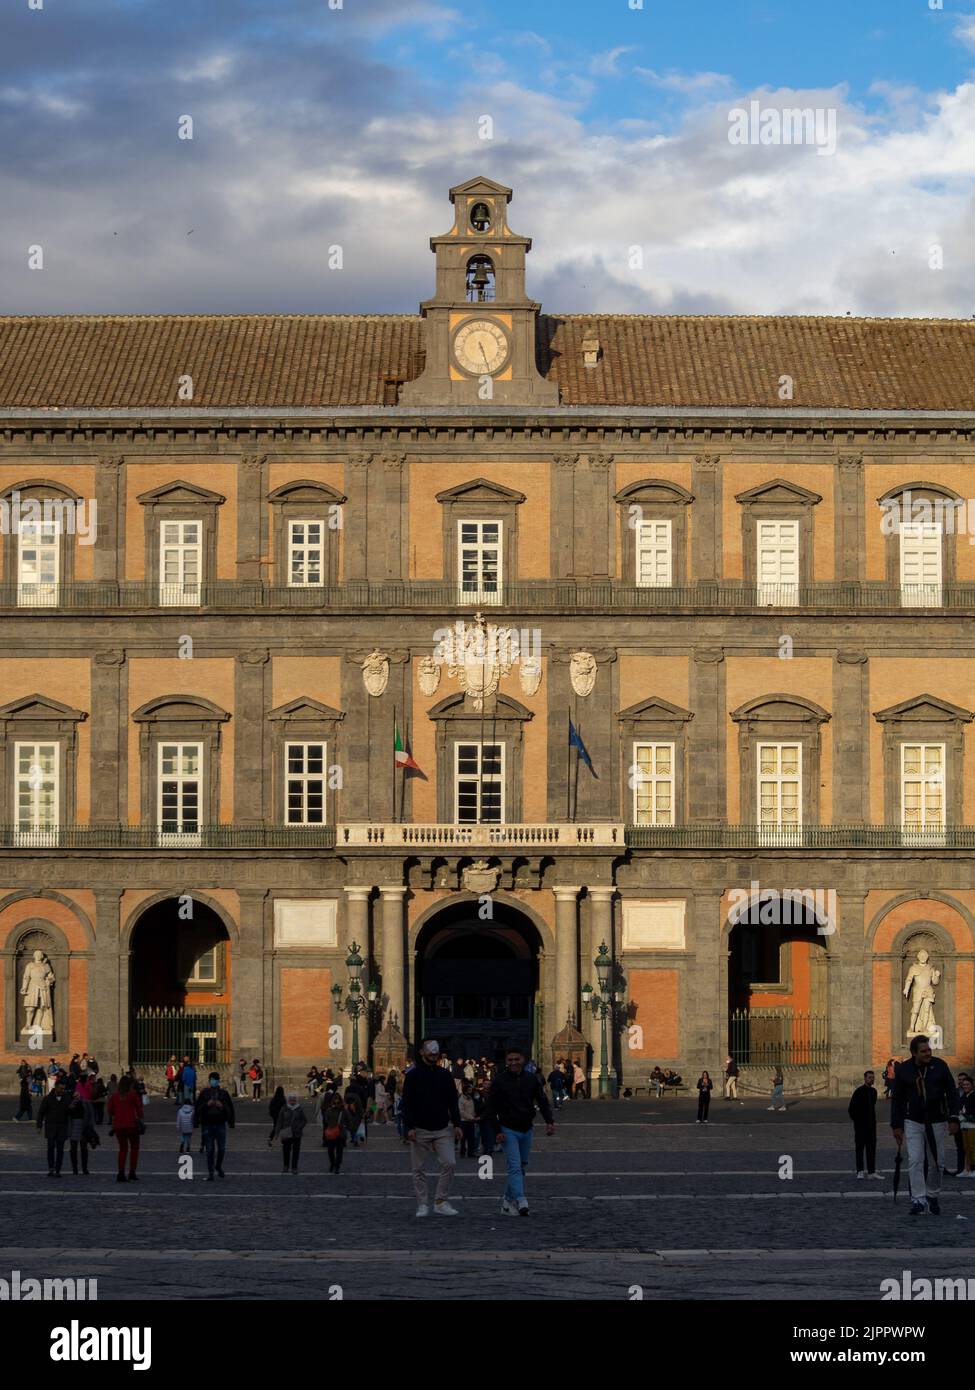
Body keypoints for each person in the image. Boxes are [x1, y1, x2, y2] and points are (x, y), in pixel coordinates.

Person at [890, 1034, 960, 1216]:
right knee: (915, 1160)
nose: (928, 1053)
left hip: (937, 1120)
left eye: (929, 1050)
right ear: (914, 1053)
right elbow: (897, 1099)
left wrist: (954, 1117)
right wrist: (896, 1125)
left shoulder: (940, 1066)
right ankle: (918, 1199)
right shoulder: (904, 1070)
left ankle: (932, 1194)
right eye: (924, 1051)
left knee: (939, 1162)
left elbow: (952, 1092)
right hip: (913, 1120)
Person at [485, 1047, 555, 1217]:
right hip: (507, 1129)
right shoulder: (499, 1081)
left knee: (522, 1167)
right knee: (515, 1167)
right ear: (506, 1061)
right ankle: (521, 1200)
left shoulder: (531, 1079)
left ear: (523, 1059)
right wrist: (496, 1131)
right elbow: (490, 1108)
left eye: (517, 1059)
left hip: (527, 1128)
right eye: (510, 1060)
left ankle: (507, 1202)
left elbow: (542, 1100)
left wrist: (549, 1121)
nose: (514, 1062)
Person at [401, 1038, 462, 1217]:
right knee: (418, 1169)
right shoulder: (412, 1075)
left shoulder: (445, 1075)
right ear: (422, 1052)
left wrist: (457, 1124)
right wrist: (409, 1127)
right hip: (419, 1129)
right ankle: (422, 1204)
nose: (434, 1053)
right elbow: (407, 1103)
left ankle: (440, 1201)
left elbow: (452, 1101)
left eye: (436, 1050)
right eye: (430, 1050)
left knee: (450, 1162)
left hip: (442, 1128)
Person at [195, 1071, 235, 1181]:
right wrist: (206, 1105)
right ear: (209, 1081)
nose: (213, 1081)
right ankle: (211, 1172)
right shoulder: (204, 1093)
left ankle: (218, 1165)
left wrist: (221, 1106)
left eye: (215, 1079)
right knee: (210, 1150)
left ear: (218, 1081)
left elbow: (230, 1108)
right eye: (212, 1079)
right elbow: (198, 1108)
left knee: (222, 1149)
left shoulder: (223, 1093)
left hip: (220, 1124)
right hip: (207, 1124)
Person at [107, 1074, 144, 1183]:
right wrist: (140, 1118)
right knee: (134, 1148)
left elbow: (110, 1110)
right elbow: (139, 1108)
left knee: (122, 1149)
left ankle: (121, 1172)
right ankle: (132, 1171)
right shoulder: (132, 1094)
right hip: (131, 1125)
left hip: (119, 1126)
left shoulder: (114, 1096)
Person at [848, 1070, 883, 1179]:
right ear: (865, 1078)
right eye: (869, 1077)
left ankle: (871, 1171)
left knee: (871, 1148)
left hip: (871, 1125)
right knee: (860, 1148)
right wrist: (857, 1121)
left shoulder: (874, 1092)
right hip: (860, 1126)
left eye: (873, 1077)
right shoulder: (858, 1091)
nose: (871, 1079)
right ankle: (860, 1171)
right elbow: (851, 1109)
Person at [37, 1078, 71, 1176]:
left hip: (62, 1127)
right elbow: (41, 1113)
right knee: (50, 1148)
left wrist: (72, 1107)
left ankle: (58, 1169)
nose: (62, 1091)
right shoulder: (48, 1098)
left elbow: (69, 1112)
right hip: (51, 1127)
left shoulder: (67, 1097)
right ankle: (51, 1168)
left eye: (63, 1089)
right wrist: (39, 1126)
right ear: (56, 1087)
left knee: (60, 1150)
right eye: (60, 1088)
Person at [272, 1092, 307, 1174]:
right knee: (286, 1151)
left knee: (296, 1151)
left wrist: (299, 1127)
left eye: (294, 1100)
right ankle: (286, 1166)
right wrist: (276, 1134)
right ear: (288, 1100)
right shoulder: (284, 1108)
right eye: (291, 1100)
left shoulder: (299, 1109)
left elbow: (304, 1120)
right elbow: (279, 1121)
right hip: (286, 1133)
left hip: (296, 1134)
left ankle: (294, 1167)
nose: (292, 1101)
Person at [67, 1089, 96, 1175]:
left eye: (78, 1095)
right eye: (75, 1096)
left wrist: (91, 1127)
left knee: (84, 1148)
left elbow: (91, 1115)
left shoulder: (86, 1103)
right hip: (73, 1126)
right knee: (73, 1149)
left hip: (83, 1126)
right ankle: (75, 1168)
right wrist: (71, 1106)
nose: (76, 1097)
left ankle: (84, 1168)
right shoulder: (71, 1103)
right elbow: (67, 1114)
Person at [322, 1092, 351, 1173]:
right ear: (332, 1102)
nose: (336, 1103)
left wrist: (345, 1127)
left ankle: (337, 1166)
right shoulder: (329, 1110)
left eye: (338, 1102)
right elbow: (325, 1121)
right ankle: (332, 1163)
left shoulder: (343, 1111)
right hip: (331, 1133)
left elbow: (349, 1120)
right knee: (330, 1151)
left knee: (339, 1152)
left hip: (341, 1134)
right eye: (335, 1102)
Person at [958, 1075, 975, 1177]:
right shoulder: (964, 1096)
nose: (965, 1086)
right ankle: (968, 1169)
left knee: (973, 1147)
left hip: (972, 1125)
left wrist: (965, 1113)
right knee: (966, 1148)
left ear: (972, 1085)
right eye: (964, 1085)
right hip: (964, 1124)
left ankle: (974, 1169)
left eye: (967, 1084)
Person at [457, 1082, 478, 1157]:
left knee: (471, 1138)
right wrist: (471, 1117)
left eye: (471, 1090)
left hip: (471, 1121)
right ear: (465, 1091)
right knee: (463, 1138)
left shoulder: (471, 1098)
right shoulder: (461, 1099)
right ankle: (462, 1152)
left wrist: (474, 1115)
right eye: (469, 1090)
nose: (471, 1091)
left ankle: (470, 1153)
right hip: (464, 1121)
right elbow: (461, 1111)